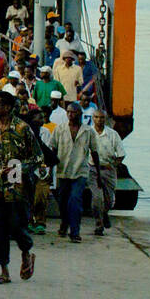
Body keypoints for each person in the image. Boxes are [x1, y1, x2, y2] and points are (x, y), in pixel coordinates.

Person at [0, 87, 39, 283]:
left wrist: (19, 167)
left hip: (18, 185)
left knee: (17, 225)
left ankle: (25, 252)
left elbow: (37, 157)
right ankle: (4, 271)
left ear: (7, 108)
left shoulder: (23, 129)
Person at [51, 102, 99, 243]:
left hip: (80, 171)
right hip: (63, 171)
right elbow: (53, 149)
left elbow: (94, 152)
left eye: (74, 112)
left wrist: (99, 175)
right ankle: (64, 223)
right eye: (69, 112)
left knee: (75, 200)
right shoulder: (59, 129)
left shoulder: (88, 131)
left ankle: (75, 231)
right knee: (63, 201)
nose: (71, 115)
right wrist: (49, 171)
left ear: (80, 114)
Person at [88, 109, 124, 235]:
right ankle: (99, 225)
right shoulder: (88, 133)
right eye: (97, 117)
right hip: (92, 169)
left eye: (102, 117)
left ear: (105, 119)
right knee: (97, 198)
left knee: (109, 201)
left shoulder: (113, 134)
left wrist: (114, 165)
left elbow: (121, 154)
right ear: (93, 118)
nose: (99, 120)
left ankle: (104, 213)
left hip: (108, 168)